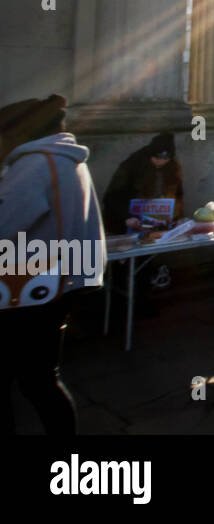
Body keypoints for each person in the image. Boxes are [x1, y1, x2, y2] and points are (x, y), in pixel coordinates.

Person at [0, 96, 105, 435]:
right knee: (42, 379)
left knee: (33, 382)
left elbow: (6, 224)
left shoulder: (35, 164)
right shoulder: (68, 159)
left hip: (26, 288)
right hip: (59, 282)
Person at [102, 132, 183, 233]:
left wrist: (176, 218)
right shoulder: (131, 166)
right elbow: (112, 197)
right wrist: (126, 217)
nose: (160, 162)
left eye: (165, 159)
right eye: (156, 158)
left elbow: (178, 196)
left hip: (159, 224)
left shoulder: (173, 169)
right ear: (149, 155)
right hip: (128, 223)